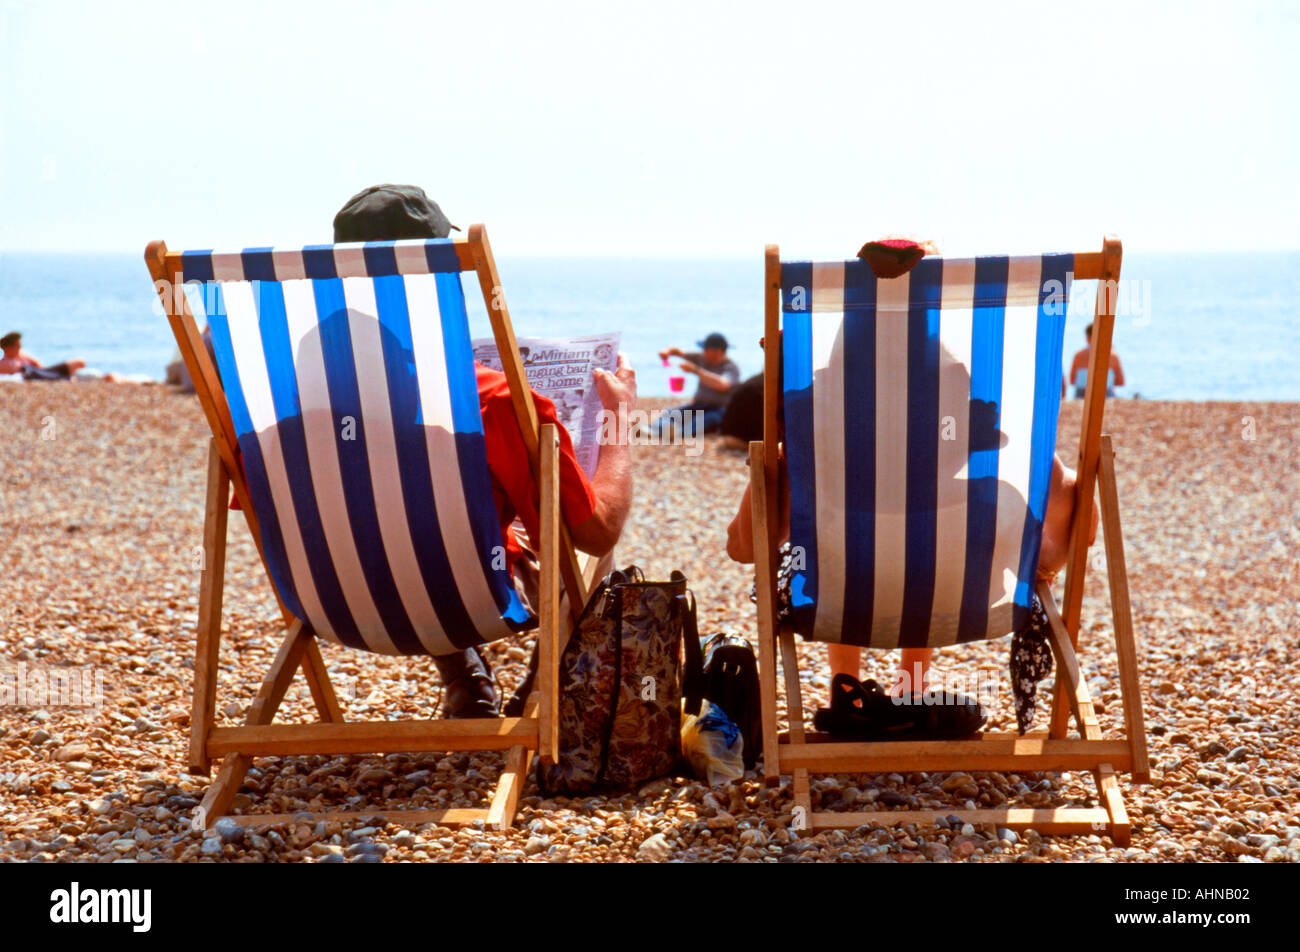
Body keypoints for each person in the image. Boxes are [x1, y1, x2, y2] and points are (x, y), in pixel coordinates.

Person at [332, 184, 636, 717]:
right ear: (440, 279)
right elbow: (598, 532)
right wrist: (617, 419)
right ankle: (538, 696)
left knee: (401, 523)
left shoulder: (269, 401)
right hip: (469, 598)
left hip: (332, 600)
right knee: (581, 523)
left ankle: (463, 675)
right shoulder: (489, 399)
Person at [657, 332, 739, 436]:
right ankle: (655, 429)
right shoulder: (702, 358)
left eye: (705, 349)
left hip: (718, 409)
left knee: (707, 420)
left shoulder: (730, 368)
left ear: (717, 352)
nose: (703, 351)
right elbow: (677, 352)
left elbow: (723, 384)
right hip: (698, 405)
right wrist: (666, 352)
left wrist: (696, 371)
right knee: (670, 413)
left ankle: (678, 433)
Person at [0, 332, 86, 381]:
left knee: (80, 362)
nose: (19, 348)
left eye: (19, 345)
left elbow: (40, 366)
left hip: (43, 372)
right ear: (8, 348)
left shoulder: (22, 355)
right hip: (38, 375)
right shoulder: (5, 363)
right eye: (17, 346)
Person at [1069, 323, 1125, 398]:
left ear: (1087, 337)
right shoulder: (1113, 356)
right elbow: (1121, 382)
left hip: (1081, 394)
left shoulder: (1078, 355)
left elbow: (1072, 380)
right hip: (1106, 394)